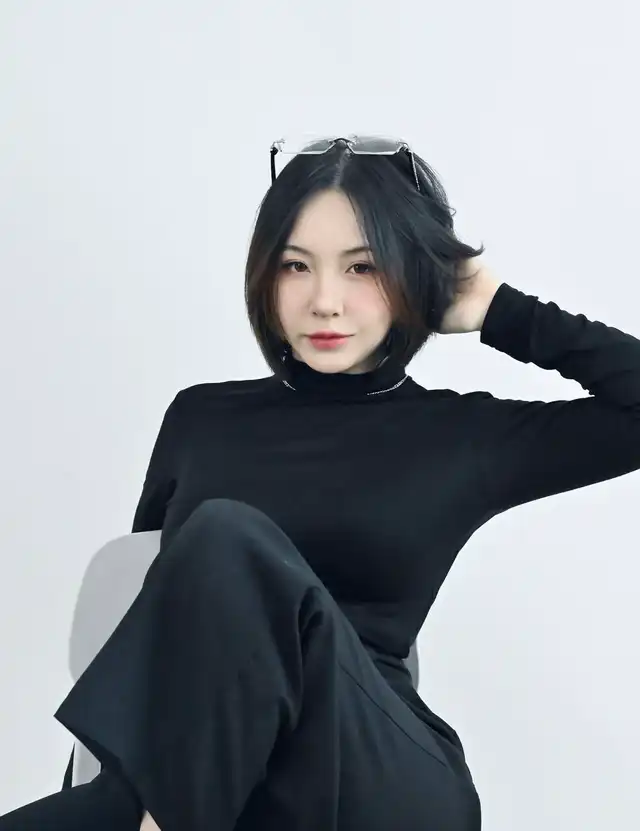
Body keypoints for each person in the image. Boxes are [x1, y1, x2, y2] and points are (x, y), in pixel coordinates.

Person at [2, 135, 640, 831]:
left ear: (411, 274)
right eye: (296, 266)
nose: (325, 301)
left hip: (376, 769)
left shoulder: (460, 435)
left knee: (226, 536)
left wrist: (500, 308)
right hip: (216, 771)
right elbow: (160, 632)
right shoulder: (199, 418)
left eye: (363, 267)